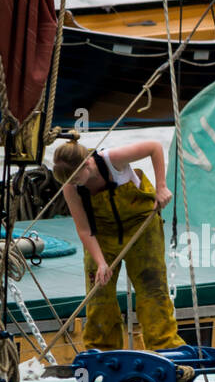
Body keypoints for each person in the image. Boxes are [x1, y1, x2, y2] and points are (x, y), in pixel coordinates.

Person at [53, 134, 181, 351]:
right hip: (102, 233)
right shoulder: (70, 186)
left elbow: (154, 146)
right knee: (99, 292)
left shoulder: (113, 160)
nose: (74, 184)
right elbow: (84, 229)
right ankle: (102, 351)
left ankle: (165, 347)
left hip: (141, 225)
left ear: (87, 163)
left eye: (76, 179)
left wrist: (161, 186)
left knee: (152, 287)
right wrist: (101, 262)